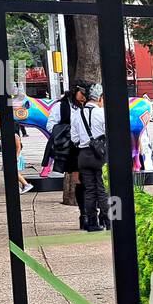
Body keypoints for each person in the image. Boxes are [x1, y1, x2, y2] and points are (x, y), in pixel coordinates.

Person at [69, 80, 109, 231]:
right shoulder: (101, 113)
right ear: (100, 98)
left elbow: (74, 139)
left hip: (84, 155)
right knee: (103, 188)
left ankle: (92, 222)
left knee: (89, 189)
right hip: (100, 155)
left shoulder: (77, 114)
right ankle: (108, 220)